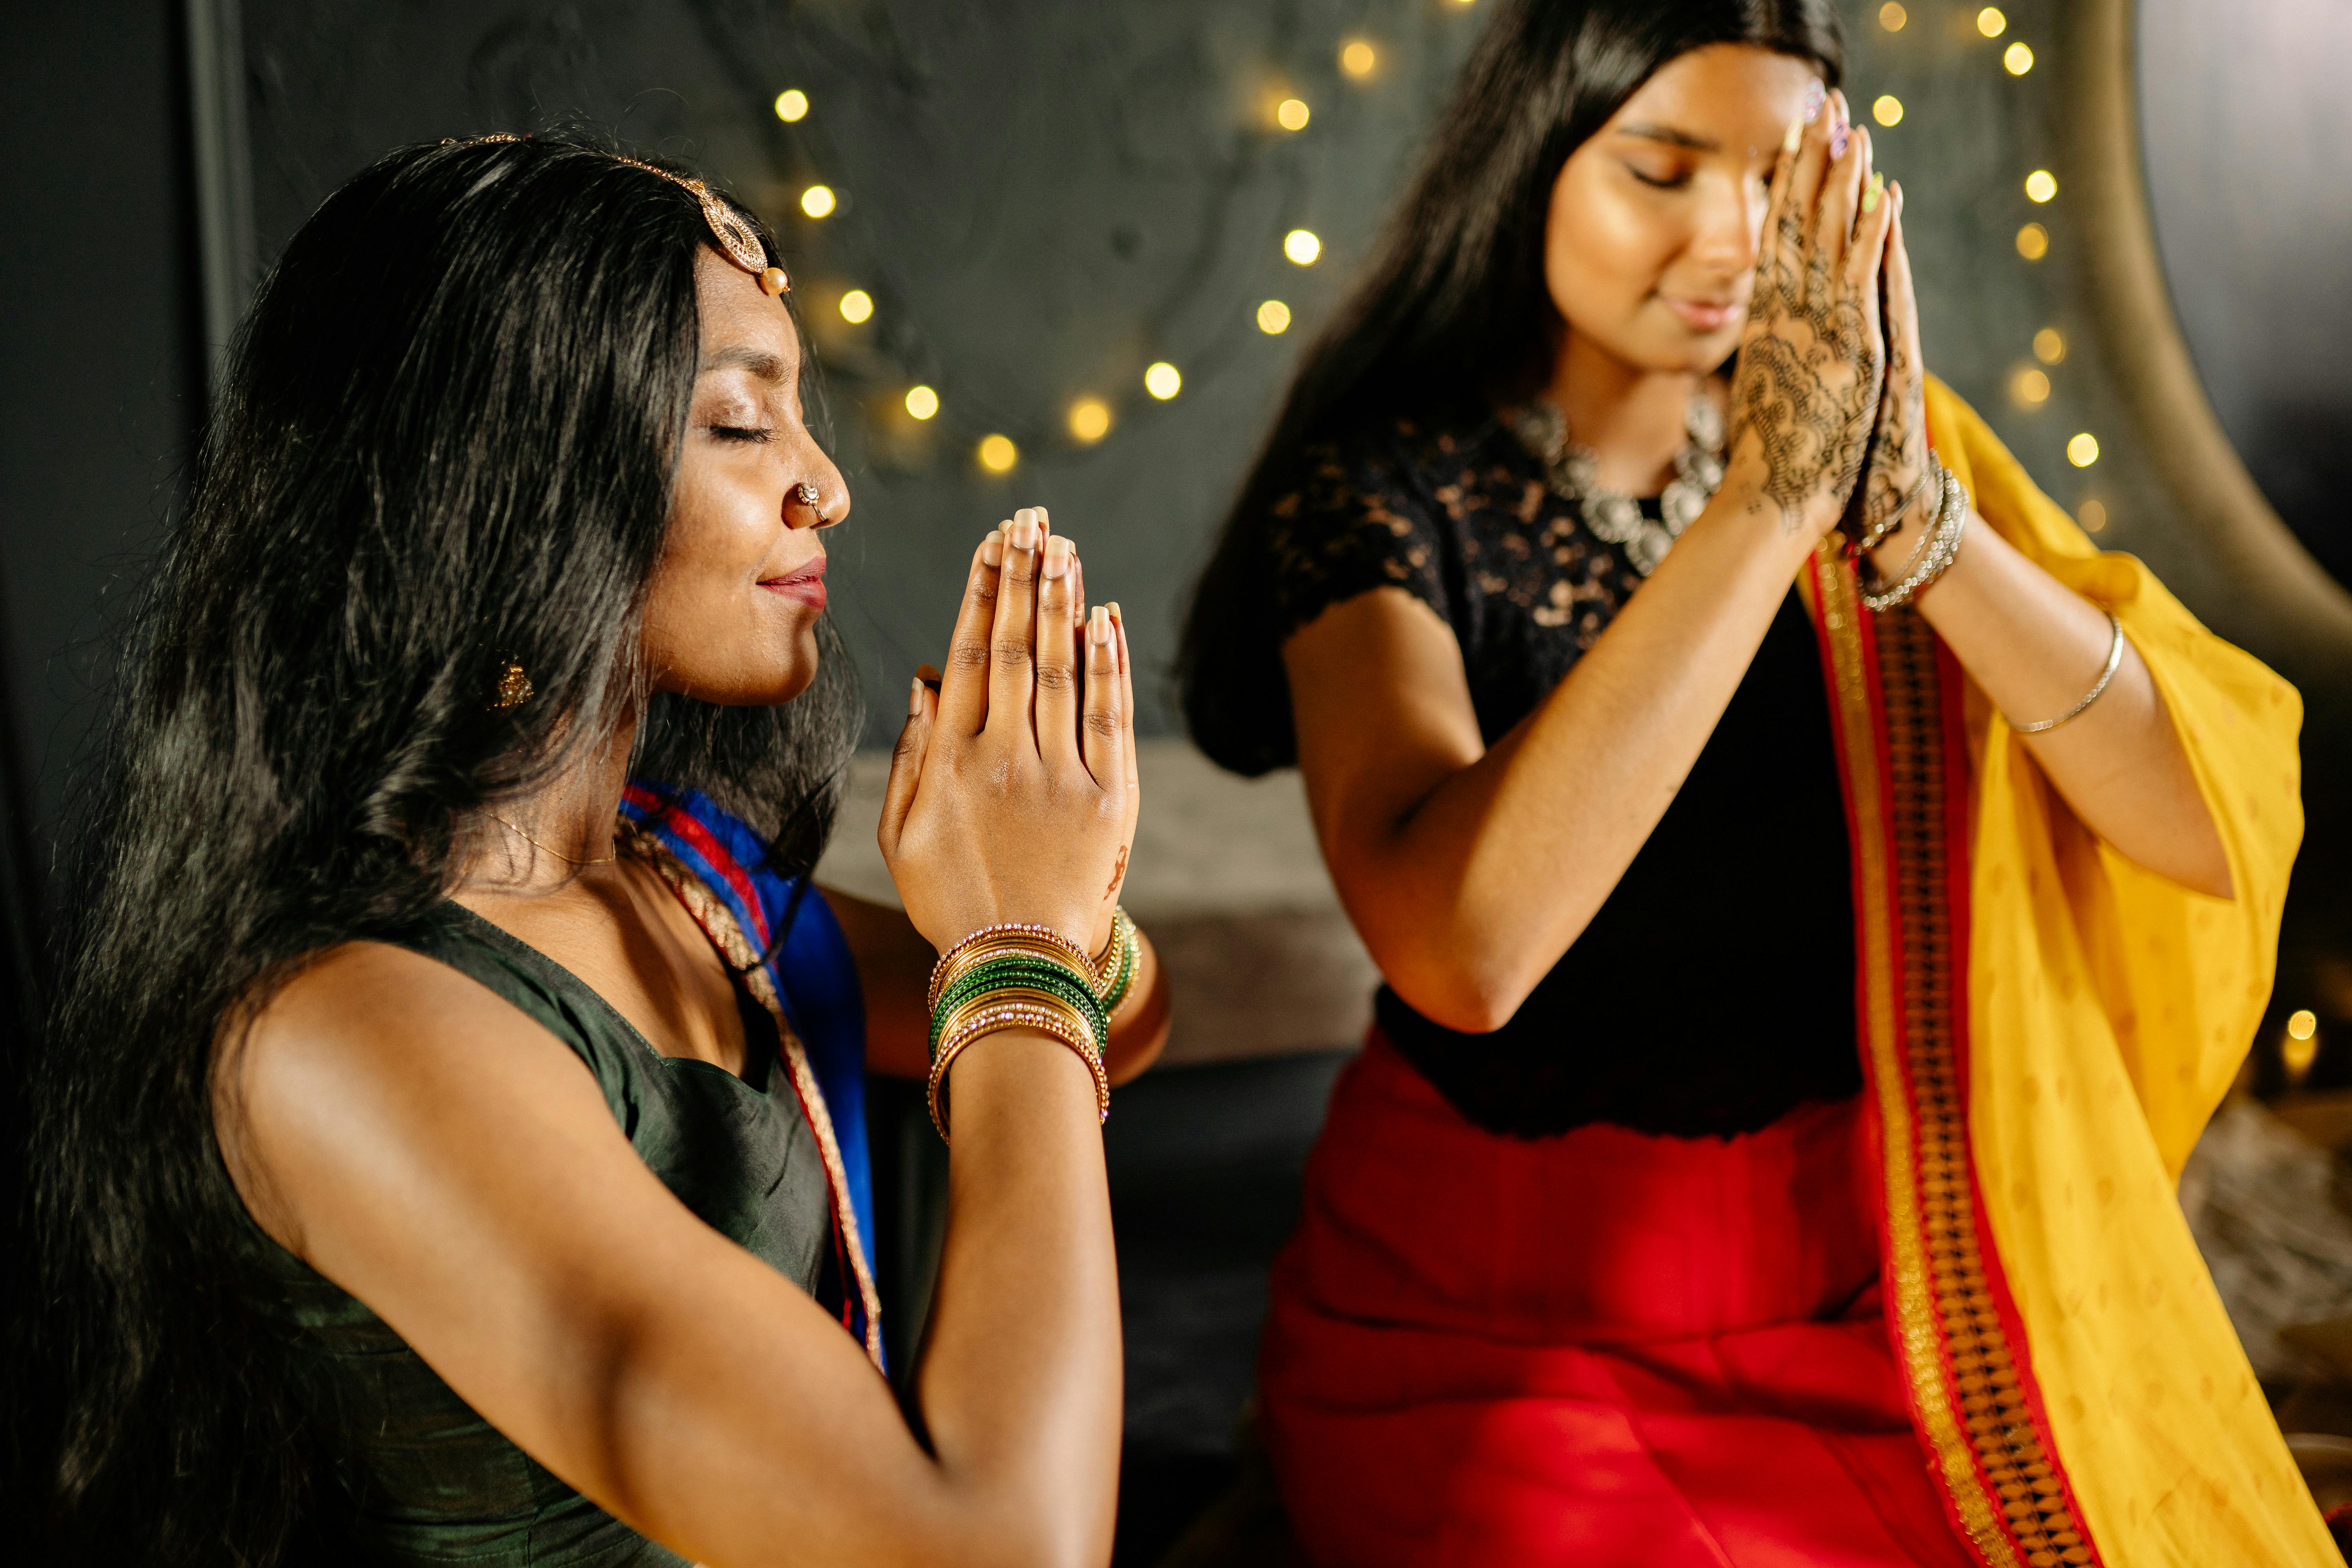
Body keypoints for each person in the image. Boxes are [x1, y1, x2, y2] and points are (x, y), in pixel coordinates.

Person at [1179, 2, 2330, 1563]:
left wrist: (1917, 521)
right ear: (1534, 173)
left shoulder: (1892, 455)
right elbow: (1463, 948)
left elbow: (2208, 820)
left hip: (1876, 1295)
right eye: (1661, 170)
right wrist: (1769, 503)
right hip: (1500, 1324)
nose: (1730, 234)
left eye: (1781, 179)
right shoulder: (1389, 494)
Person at [28, 133, 1168, 1567]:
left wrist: (1043, 892)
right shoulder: (346, 1030)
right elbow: (1005, 1546)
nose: (825, 485)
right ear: (513, 475)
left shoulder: (673, 875)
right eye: (744, 427)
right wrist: (1017, 948)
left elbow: (1119, 1021)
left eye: (799, 417)